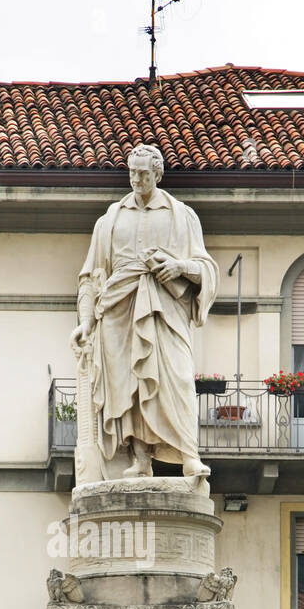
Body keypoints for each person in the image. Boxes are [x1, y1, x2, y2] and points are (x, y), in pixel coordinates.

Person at [70, 143, 218, 480]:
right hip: (118, 311)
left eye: (143, 173)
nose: (136, 179)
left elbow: (206, 269)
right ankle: (140, 460)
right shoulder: (109, 219)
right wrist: (85, 322)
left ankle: (188, 454)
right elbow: (89, 277)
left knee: (177, 378)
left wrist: (179, 266)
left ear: (158, 174)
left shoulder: (182, 215)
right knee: (129, 386)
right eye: (132, 172)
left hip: (166, 308)